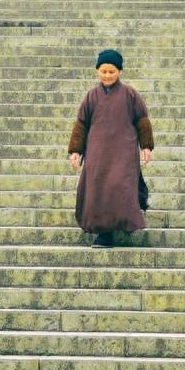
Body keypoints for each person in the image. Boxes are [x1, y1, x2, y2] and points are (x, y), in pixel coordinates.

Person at [67, 48, 154, 247]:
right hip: (97, 152)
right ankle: (104, 233)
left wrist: (146, 146)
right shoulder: (91, 96)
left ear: (119, 71)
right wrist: (75, 151)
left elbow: (142, 120)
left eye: (112, 71)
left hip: (123, 150)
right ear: (97, 71)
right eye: (103, 71)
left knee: (120, 185)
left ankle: (124, 224)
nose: (107, 75)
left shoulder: (130, 94)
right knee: (98, 188)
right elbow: (81, 124)